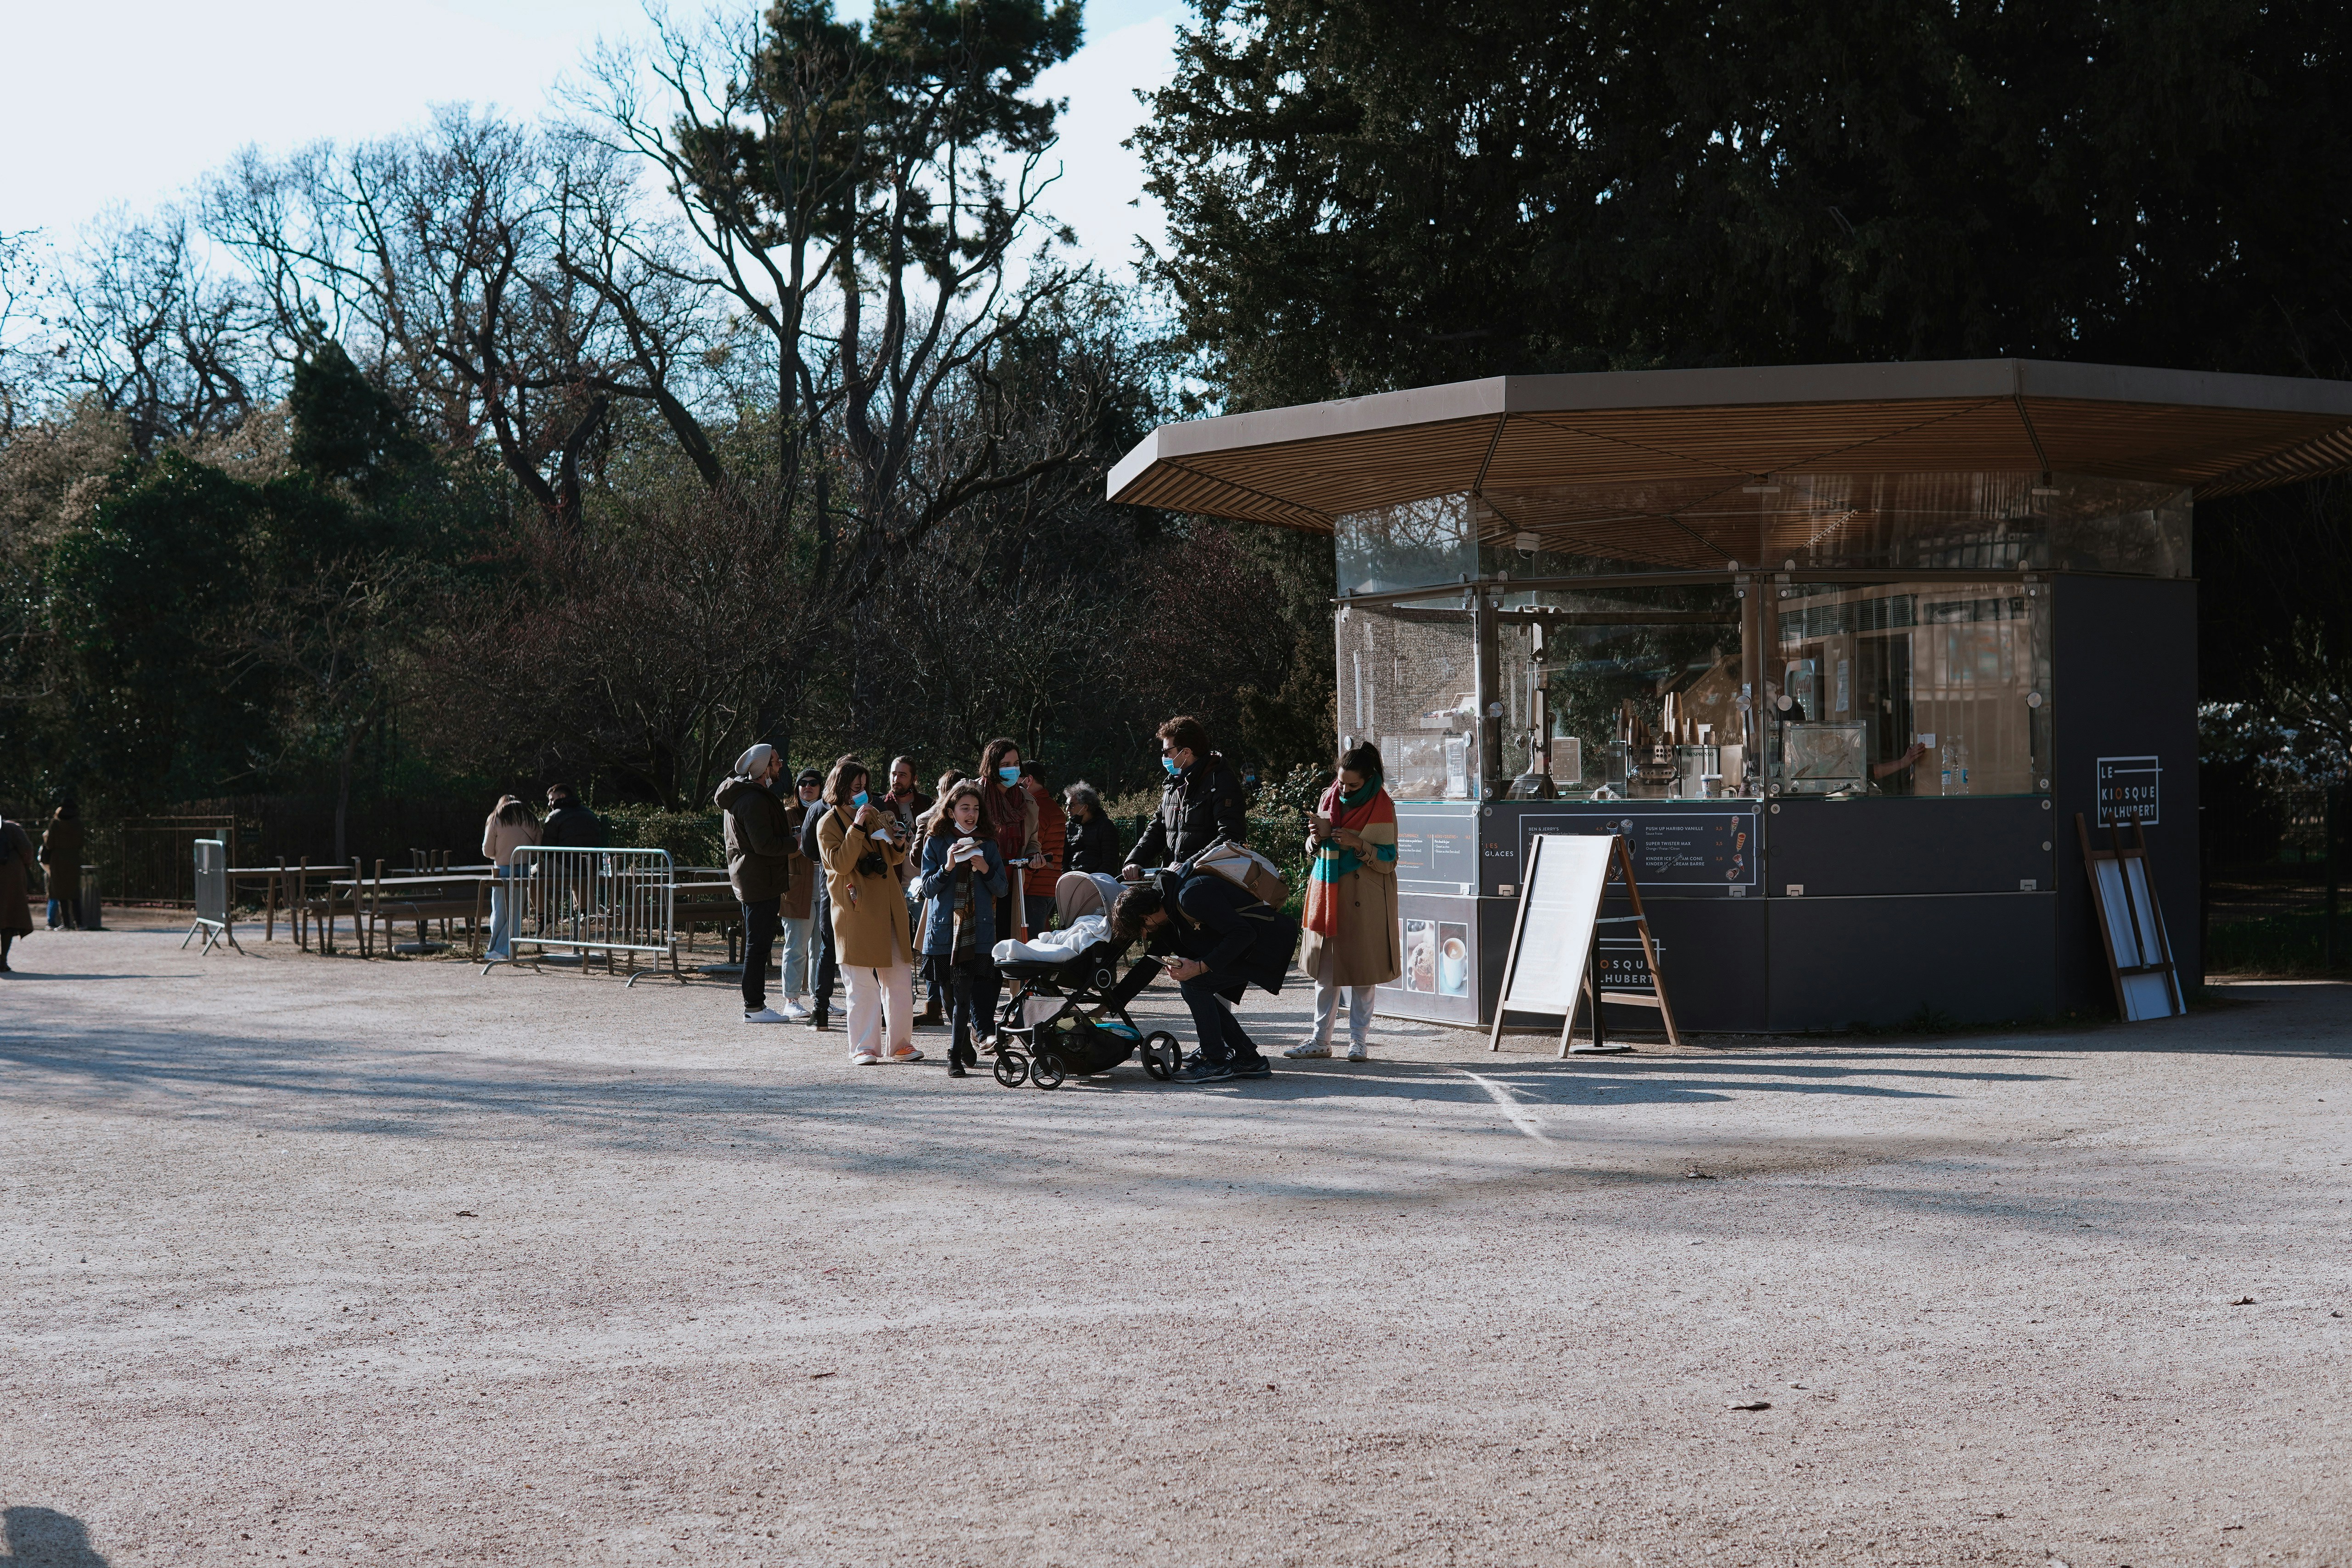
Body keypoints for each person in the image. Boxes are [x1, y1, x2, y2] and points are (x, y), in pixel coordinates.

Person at [1110, 861, 1295, 1083]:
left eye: (1142, 929)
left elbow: (1243, 933)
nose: (1146, 935)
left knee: (1195, 983)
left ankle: (1216, 1062)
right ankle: (1249, 1059)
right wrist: (1112, 1003)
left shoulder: (1191, 896)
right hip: (1248, 947)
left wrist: (1200, 967)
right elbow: (1147, 966)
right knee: (1195, 985)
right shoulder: (1167, 907)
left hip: (1266, 946)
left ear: (1146, 917)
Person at [1284, 743, 1400, 1062]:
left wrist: (1357, 843)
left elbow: (1390, 860)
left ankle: (1358, 1041)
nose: (1345, 790)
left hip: (1366, 898)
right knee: (1326, 973)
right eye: (1341, 782)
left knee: (1363, 975)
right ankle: (1320, 1039)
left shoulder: (1383, 806)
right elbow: (1314, 845)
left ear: (1369, 779)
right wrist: (1313, 839)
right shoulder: (1329, 795)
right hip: (1329, 893)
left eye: (1353, 785)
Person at [817, 757, 921, 1065]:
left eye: (865, 787)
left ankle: (901, 1044)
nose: (862, 793)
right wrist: (859, 826)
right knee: (862, 984)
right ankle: (864, 1047)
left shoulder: (875, 814)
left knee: (900, 977)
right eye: (855, 787)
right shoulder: (828, 824)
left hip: (889, 907)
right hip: (855, 911)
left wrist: (899, 841)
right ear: (840, 789)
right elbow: (841, 863)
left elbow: (893, 857)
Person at [910, 779, 1008, 1077]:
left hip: (976, 932)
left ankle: (953, 1056)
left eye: (976, 808)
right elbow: (926, 889)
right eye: (965, 807)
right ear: (951, 810)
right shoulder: (937, 841)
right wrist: (948, 866)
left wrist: (986, 868)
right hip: (942, 932)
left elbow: (1002, 889)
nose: (971, 814)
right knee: (949, 997)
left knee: (964, 995)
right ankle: (963, 1041)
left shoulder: (988, 843)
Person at [715, 743, 796, 1025]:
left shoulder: (743, 796)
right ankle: (754, 1006)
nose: (779, 765)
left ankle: (755, 1005)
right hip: (760, 879)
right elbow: (764, 844)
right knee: (758, 945)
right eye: (775, 761)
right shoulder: (754, 799)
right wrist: (794, 843)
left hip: (753, 878)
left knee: (757, 944)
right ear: (762, 769)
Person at [1121, 715, 1250, 879]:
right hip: (1173, 877)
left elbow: (1231, 837)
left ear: (1186, 752)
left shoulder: (1220, 782)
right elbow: (1158, 828)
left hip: (1207, 878)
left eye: (1167, 752)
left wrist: (1189, 864)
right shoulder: (1173, 785)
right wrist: (1135, 860)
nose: (1164, 757)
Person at [881, 756, 942, 1025]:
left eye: (903, 775)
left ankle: (933, 1007)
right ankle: (892, 1007)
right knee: (892, 945)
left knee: (930, 945)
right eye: (894, 774)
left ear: (914, 779)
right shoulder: (879, 806)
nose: (897, 779)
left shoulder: (928, 805)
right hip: (892, 884)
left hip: (924, 886)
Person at [978, 737, 1042, 942]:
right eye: (1005, 765)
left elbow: (1032, 840)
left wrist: (1034, 855)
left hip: (1011, 884)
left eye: (1016, 764)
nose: (1012, 770)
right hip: (979, 880)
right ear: (992, 766)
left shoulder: (1027, 800)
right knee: (980, 944)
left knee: (1006, 942)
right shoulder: (972, 794)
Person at [777, 767, 824, 1021]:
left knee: (822, 948)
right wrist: (802, 839)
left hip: (825, 885)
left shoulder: (829, 812)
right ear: (796, 789)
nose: (807, 787)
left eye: (813, 783)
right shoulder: (788, 814)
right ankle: (791, 999)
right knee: (796, 946)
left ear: (821, 787)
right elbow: (783, 850)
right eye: (802, 783)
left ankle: (820, 999)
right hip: (798, 886)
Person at [797, 776, 842, 1030]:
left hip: (830, 880)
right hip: (853, 882)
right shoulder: (869, 805)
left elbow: (808, 849)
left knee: (827, 946)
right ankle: (877, 1012)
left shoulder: (818, 809)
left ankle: (820, 1009)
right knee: (832, 946)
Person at [480, 795, 541, 961]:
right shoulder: (531, 819)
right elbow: (538, 849)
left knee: (500, 911)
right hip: (523, 870)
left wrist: (499, 854)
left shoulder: (496, 818)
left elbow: (487, 850)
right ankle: (508, 948)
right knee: (516, 912)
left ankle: (497, 949)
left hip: (503, 870)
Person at [1018, 760, 1065, 936]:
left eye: (1019, 778)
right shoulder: (1053, 807)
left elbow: (1034, 850)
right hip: (1050, 888)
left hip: (1033, 889)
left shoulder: (1037, 808)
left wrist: (1021, 889)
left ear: (1029, 780)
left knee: (1030, 945)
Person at [1062, 781, 1123, 876]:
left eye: (1072, 805)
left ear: (1085, 807)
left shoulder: (1106, 826)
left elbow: (1110, 863)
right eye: (1067, 805)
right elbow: (1063, 862)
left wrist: (1093, 881)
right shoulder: (1068, 827)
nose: (1068, 810)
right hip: (1072, 880)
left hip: (1099, 881)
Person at [39, 804, 83, 930]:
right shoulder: (78, 824)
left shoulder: (55, 824)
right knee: (75, 892)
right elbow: (81, 843)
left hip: (58, 860)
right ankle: (79, 923)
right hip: (74, 859)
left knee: (60, 892)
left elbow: (49, 844)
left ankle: (66, 923)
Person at [0, 813, 34, 972]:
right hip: (10, 876)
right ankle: (2, 960)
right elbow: (27, 850)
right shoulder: (12, 828)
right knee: (9, 918)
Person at [540, 784, 605, 848]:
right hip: (591, 858)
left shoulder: (554, 817)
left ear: (562, 796)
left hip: (564, 858)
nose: (549, 804)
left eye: (552, 800)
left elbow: (548, 848)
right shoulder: (591, 814)